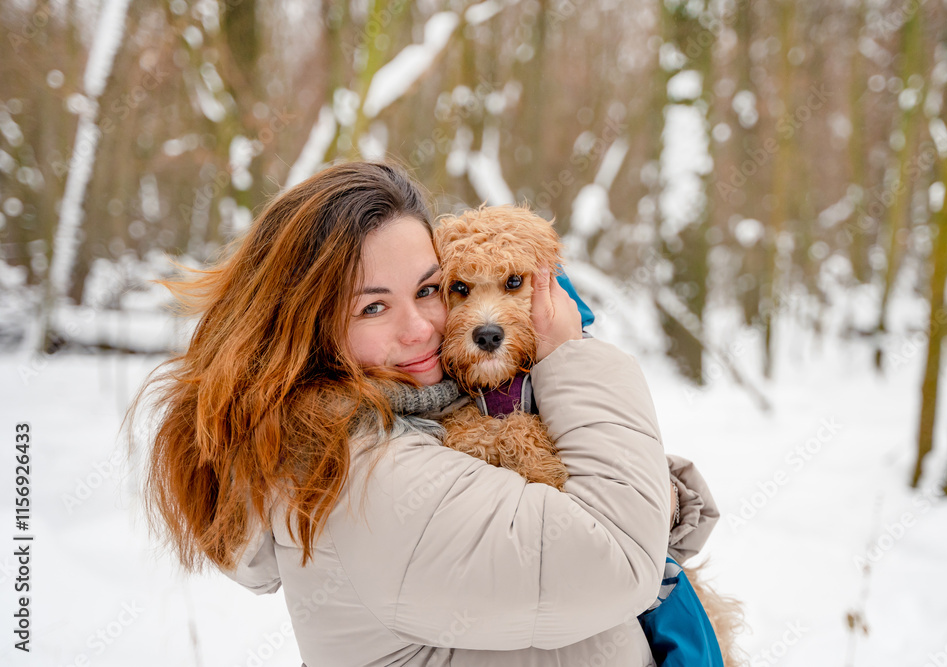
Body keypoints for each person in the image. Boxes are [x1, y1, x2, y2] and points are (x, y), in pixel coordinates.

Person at [127, 161, 720, 666]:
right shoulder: (359, 472)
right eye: (373, 306)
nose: (419, 330)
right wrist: (572, 356)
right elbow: (617, 559)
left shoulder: (429, 416)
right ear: (305, 328)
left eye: (431, 289)